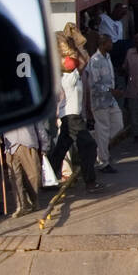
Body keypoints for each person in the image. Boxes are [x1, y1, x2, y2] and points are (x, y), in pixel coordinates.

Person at [47, 56, 102, 193]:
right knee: (89, 146)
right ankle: (90, 182)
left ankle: (49, 180)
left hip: (69, 117)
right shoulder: (68, 78)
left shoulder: (71, 76)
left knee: (61, 149)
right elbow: (83, 61)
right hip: (72, 118)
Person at [86, 35, 124, 174]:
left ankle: (95, 141)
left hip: (110, 100)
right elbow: (94, 84)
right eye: (109, 42)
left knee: (118, 124)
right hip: (99, 101)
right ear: (103, 44)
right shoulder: (95, 60)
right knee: (103, 129)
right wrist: (111, 90)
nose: (112, 45)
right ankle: (103, 162)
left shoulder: (107, 57)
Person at [1, 121, 48, 217]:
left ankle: (34, 200)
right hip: (11, 147)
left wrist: (45, 145)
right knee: (15, 178)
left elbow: (39, 125)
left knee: (33, 175)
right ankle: (21, 206)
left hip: (28, 144)